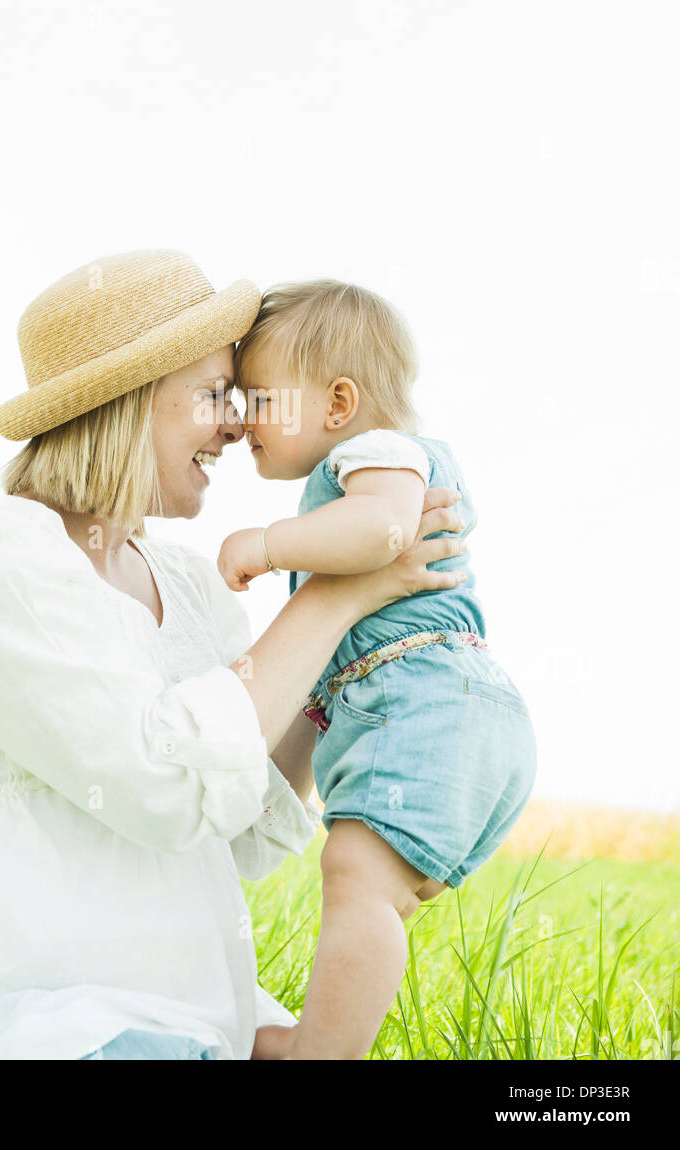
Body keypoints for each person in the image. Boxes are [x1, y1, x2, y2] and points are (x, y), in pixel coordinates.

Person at [0, 249, 467, 1061]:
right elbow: (165, 779)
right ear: (133, 397)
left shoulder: (188, 588)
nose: (236, 423)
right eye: (218, 394)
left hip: (195, 1027)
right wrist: (337, 593)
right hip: (36, 1025)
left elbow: (243, 822)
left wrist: (376, 650)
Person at [219, 278, 538, 1060]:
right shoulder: (375, 461)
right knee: (370, 881)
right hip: (446, 706)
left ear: (337, 404)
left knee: (357, 876)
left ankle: (318, 1053)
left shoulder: (378, 453)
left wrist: (266, 545)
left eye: (259, 398)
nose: (238, 417)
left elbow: (383, 530)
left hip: (426, 701)